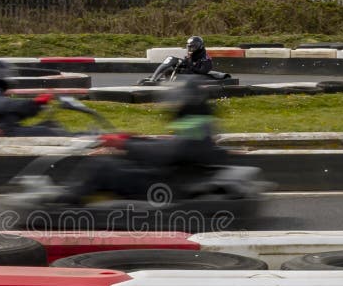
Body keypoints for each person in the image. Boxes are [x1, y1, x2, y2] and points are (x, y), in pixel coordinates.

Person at [44, 76, 225, 205]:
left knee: (102, 166)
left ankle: (61, 208)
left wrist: (125, 144)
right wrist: (132, 139)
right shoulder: (202, 120)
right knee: (117, 162)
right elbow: (176, 147)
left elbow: (175, 151)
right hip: (175, 178)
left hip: (170, 186)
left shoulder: (196, 123)